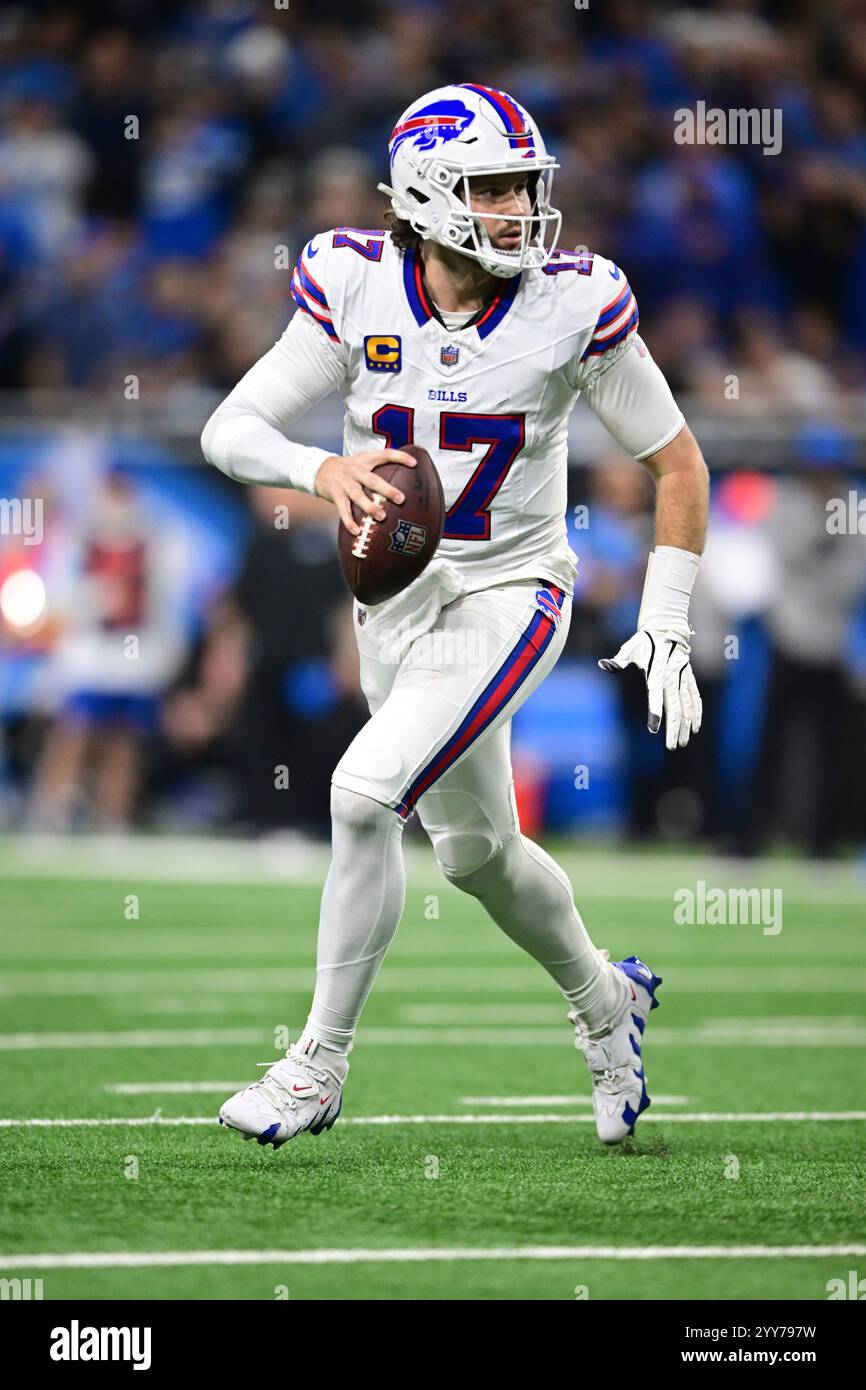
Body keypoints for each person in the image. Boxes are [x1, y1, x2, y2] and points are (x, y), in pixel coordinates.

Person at [201, 84, 708, 1148]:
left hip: (512, 591)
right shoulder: (354, 281)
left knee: (357, 793)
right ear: (428, 193)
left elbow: (675, 463)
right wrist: (317, 466)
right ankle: (604, 1006)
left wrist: (665, 617)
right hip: (394, 607)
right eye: (493, 188)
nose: (519, 210)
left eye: (526, 188)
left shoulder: (572, 303)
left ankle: (316, 1065)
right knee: (476, 855)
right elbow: (229, 428)